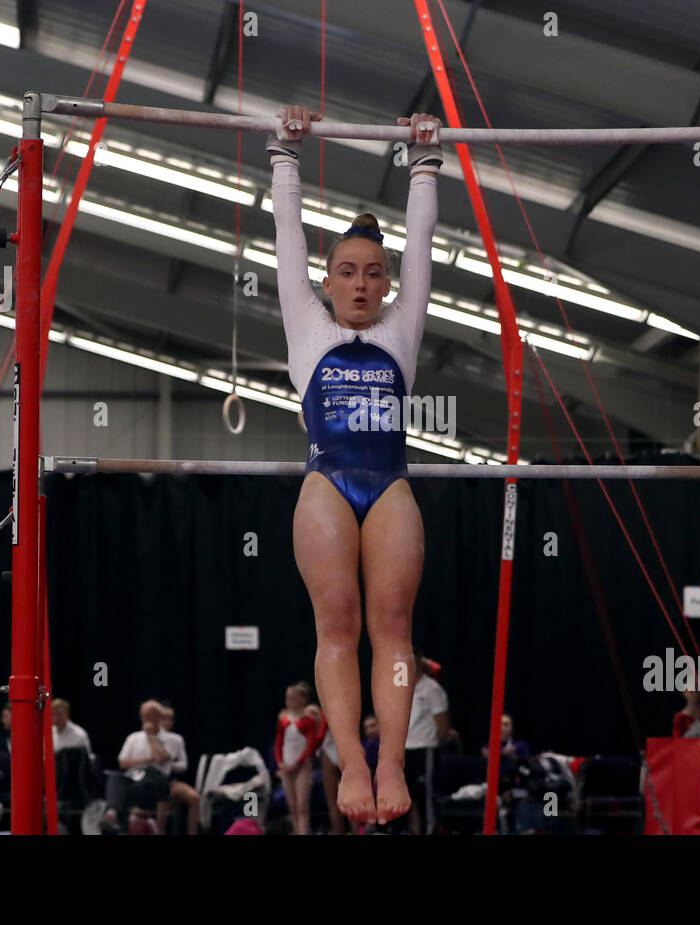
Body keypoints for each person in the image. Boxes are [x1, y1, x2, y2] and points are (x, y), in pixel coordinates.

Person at [268, 102, 442, 826]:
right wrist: (283, 151)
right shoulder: (308, 326)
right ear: (328, 280)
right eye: (348, 273)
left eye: (375, 273)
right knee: (336, 624)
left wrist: (424, 164)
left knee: (393, 625)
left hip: (391, 484)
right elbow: (286, 236)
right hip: (326, 485)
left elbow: (423, 243)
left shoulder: (403, 327)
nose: (364, 284)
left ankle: (393, 755)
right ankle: (350, 759)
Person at [116, 700, 199, 835]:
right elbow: (123, 762)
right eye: (165, 719)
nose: (167, 722)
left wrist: (167, 762)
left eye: (170, 719)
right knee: (119, 780)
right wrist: (149, 760)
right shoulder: (135, 737)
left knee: (184, 795)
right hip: (141, 777)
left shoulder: (173, 739)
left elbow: (171, 762)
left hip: (167, 778)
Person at [402, 651, 450, 834]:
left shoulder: (432, 689)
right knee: (408, 796)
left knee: (425, 795)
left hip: (424, 748)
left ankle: (430, 828)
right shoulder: (400, 685)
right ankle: (412, 829)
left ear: (420, 662)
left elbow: (443, 725)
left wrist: (435, 743)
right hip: (404, 748)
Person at [276, 682, 324, 835]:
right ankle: (297, 831)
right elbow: (278, 744)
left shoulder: (308, 720)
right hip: (286, 767)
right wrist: (281, 763)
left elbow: (310, 745)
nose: (290, 701)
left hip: (302, 767)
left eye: (294, 698)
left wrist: (297, 764)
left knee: (302, 806)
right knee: (292, 807)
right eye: (288, 698)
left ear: (303, 700)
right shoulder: (283, 720)